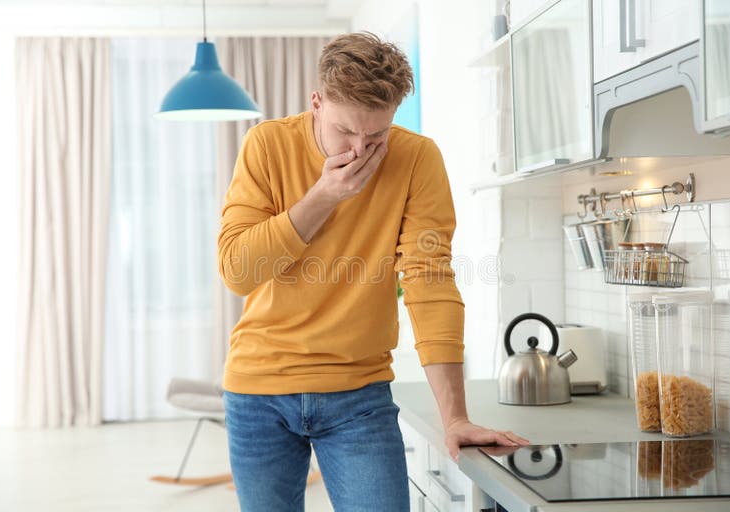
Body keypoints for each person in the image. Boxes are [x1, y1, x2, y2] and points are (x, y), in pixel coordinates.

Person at [218, 31, 529, 512]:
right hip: (259, 391)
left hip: (358, 397)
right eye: (346, 131)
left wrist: (455, 418)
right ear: (316, 103)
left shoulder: (417, 159)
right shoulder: (266, 145)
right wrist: (324, 196)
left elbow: (429, 279)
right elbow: (239, 270)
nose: (361, 149)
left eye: (376, 135)